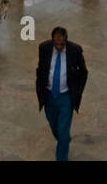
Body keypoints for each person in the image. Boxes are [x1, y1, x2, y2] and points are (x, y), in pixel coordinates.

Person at [35, 27, 88, 162]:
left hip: (66, 97)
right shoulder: (44, 48)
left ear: (66, 40)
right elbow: (41, 69)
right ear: (52, 40)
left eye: (61, 44)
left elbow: (83, 71)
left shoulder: (75, 50)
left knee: (63, 132)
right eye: (56, 43)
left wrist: (78, 90)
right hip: (49, 95)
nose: (59, 46)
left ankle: (61, 156)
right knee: (54, 125)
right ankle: (64, 139)